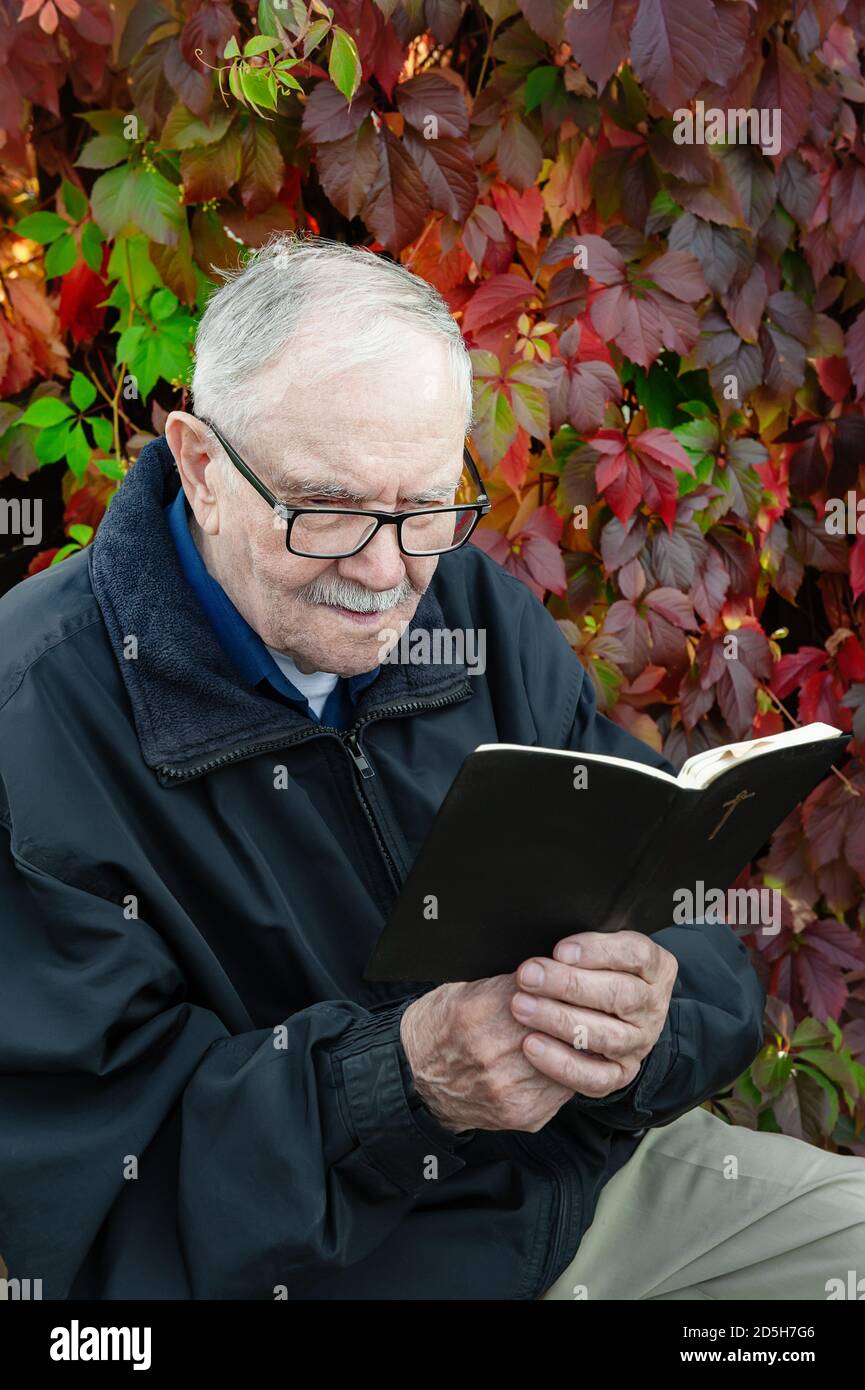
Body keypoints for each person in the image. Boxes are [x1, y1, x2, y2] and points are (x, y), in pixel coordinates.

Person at [0, 236, 861, 1301]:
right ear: (200, 465)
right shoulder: (35, 727)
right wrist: (400, 1087)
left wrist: (651, 1018)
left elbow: (678, 910)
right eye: (327, 511)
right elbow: (102, 1216)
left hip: (576, 1203)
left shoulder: (471, 611)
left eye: (422, 510)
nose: (384, 572)